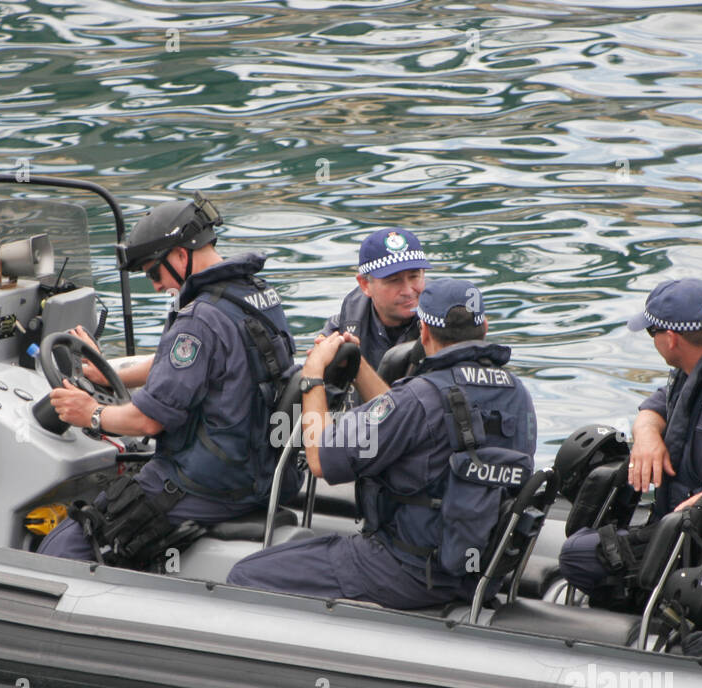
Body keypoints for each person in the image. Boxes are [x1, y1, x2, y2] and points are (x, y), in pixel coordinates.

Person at [227, 278, 537, 609]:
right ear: (485, 327)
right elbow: (405, 418)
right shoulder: (518, 395)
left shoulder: (421, 397)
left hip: (406, 571)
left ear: (425, 333)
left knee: (246, 575)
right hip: (476, 573)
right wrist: (358, 364)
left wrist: (313, 377)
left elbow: (319, 457)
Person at [38, 191, 297, 564]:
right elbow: (206, 363)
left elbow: (147, 419)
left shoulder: (198, 319)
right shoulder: (255, 295)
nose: (157, 286)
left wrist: (91, 412)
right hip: (260, 472)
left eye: (154, 273)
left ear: (179, 254)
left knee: (68, 543)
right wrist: (111, 375)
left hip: (208, 484)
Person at [558, 278, 702, 601]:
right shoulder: (698, 372)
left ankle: (643, 611)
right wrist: (647, 435)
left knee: (576, 554)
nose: (653, 341)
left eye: (652, 333)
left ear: (671, 339)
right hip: (679, 528)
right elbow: (656, 406)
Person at [320, 227, 429, 403]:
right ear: (365, 284)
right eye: (394, 281)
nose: (408, 291)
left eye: (414, 277)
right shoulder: (340, 330)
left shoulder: (443, 325)